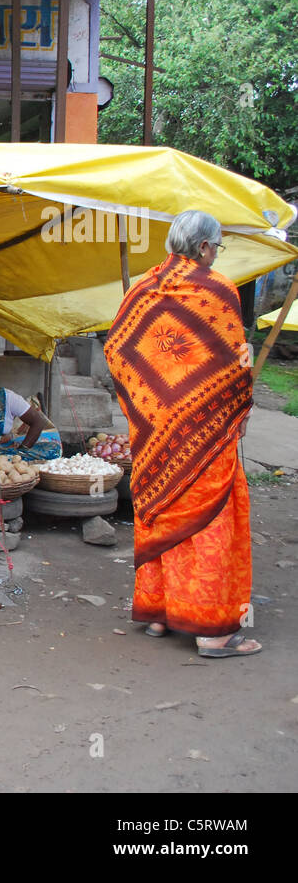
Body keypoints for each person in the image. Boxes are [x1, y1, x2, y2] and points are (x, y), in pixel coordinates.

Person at [103, 209, 259, 657]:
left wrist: (149, 408)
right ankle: (213, 632)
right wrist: (235, 409)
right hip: (205, 433)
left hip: (155, 434)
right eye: (217, 247)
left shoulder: (141, 290)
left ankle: (159, 615)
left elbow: (118, 348)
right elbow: (234, 359)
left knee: (163, 510)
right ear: (206, 247)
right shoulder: (218, 290)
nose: (216, 255)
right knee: (210, 518)